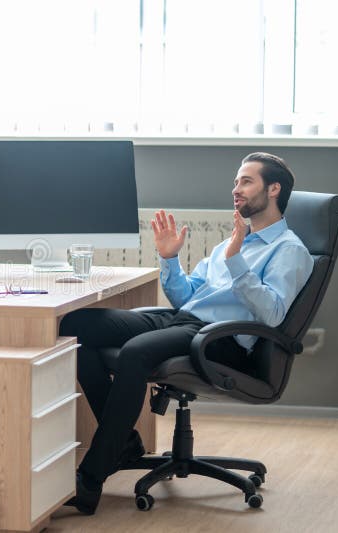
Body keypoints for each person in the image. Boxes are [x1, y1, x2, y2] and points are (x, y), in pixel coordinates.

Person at [59, 152, 313, 515]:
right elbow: (188, 296)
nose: (235, 189)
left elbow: (272, 315)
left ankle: (90, 480)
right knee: (75, 326)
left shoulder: (290, 250)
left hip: (219, 339)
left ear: (274, 189)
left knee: (134, 352)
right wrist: (169, 259)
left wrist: (237, 259)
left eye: (246, 181)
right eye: (236, 181)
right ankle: (125, 444)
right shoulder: (231, 242)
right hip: (184, 319)